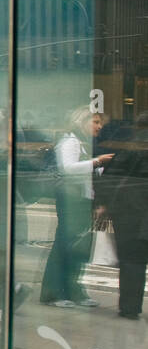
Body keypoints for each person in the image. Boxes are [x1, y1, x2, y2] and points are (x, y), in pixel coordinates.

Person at [41, 108, 113, 308]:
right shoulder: (71, 142)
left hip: (80, 200)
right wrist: (97, 162)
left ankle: (72, 291)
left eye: (100, 123)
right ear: (82, 122)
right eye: (95, 122)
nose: (99, 126)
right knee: (67, 245)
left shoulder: (82, 143)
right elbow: (68, 168)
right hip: (71, 200)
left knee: (77, 248)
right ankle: (56, 292)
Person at [98, 114, 148, 319]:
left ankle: (130, 308)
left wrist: (104, 205)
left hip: (130, 211)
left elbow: (112, 177)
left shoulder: (130, 147)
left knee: (131, 261)